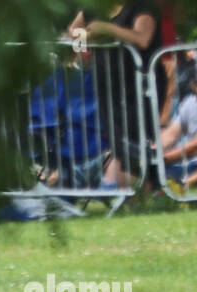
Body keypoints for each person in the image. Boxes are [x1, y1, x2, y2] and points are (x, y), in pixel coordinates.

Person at [68, 2, 163, 186]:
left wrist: (106, 29)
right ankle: (128, 195)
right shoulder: (93, 8)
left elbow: (143, 39)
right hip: (107, 85)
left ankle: (144, 192)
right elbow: (74, 32)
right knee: (117, 142)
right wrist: (84, 43)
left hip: (139, 86)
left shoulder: (142, 7)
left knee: (135, 140)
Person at [159, 60, 197, 190]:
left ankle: (182, 187)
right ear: (193, 85)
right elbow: (171, 134)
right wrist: (152, 152)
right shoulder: (190, 102)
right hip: (190, 163)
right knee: (151, 168)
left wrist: (166, 157)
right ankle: (175, 188)